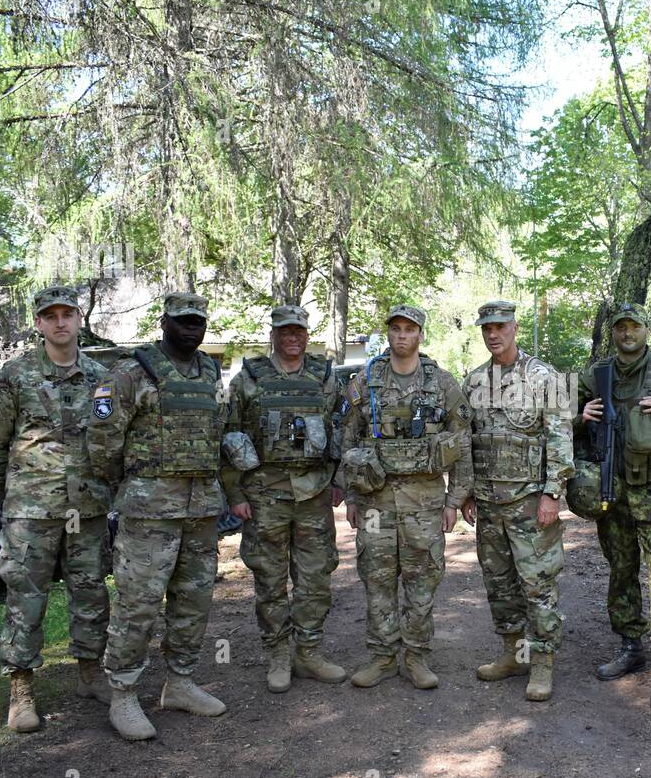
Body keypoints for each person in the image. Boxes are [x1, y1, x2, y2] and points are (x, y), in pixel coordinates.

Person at [87, 292, 228, 741]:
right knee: (138, 604)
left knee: (194, 599)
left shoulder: (210, 370)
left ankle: (180, 682)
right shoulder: (131, 372)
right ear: (164, 321)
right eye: (183, 321)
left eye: (199, 321)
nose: (193, 328)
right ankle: (123, 693)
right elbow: (102, 439)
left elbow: (217, 430)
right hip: (148, 512)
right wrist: (129, 487)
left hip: (201, 507)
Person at [0, 285, 112, 732]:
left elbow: (112, 438)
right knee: (25, 597)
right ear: (38, 323)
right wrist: (7, 493)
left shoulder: (99, 376)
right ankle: (21, 689)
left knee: (91, 592)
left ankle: (90, 672)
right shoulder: (15, 375)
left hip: (87, 507)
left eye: (66, 314)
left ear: (78, 319)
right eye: (49, 315)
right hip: (30, 509)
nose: (59, 323)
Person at [574, 303, 651, 710]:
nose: (627, 333)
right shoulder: (594, 376)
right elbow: (557, 421)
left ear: (647, 329)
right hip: (611, 489)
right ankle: (630, 646)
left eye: (635, 326)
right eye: (621, 327)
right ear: (614, 332)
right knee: (621, 569)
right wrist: (580, 416)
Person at [338, 305, 472, 690]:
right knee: (377, 578)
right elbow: (348, 439)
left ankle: (416, 657)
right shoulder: (366, 382)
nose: (401, 336)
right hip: (375, 502)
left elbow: (462, 442)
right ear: (389, 334)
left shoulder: (442, 383)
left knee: (422, 579)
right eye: (395, 329)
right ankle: (382, 657)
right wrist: (350, 496)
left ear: (420, 335)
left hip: (425, 502)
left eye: (409, 329)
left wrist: (453, 502)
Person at [221, 305, 345, 693]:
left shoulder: (323, 376)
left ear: (307, 335)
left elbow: (342, 429)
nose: (292, 337)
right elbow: (229, 436)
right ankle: (277, 653)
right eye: (284, 331)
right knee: (270, 579)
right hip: (264, 495)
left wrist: (339, 478)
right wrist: (236, 492)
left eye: (298, 331)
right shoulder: (249, 379)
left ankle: (308, 651)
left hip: (313, 493)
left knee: (315, 576)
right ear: (273, 334)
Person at [461, 300, 573, 701]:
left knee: (538, 584)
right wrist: (467, 492)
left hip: (529, 501)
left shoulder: (543, 377)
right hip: (489, 503)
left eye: (500, 326)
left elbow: (560, 438)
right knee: (499, 583)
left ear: (515, 327)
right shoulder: (473, 381)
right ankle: (512, 653)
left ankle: (542, 662)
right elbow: (467, 442)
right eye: (487, 328)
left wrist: (551, 493)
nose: (494, 334)